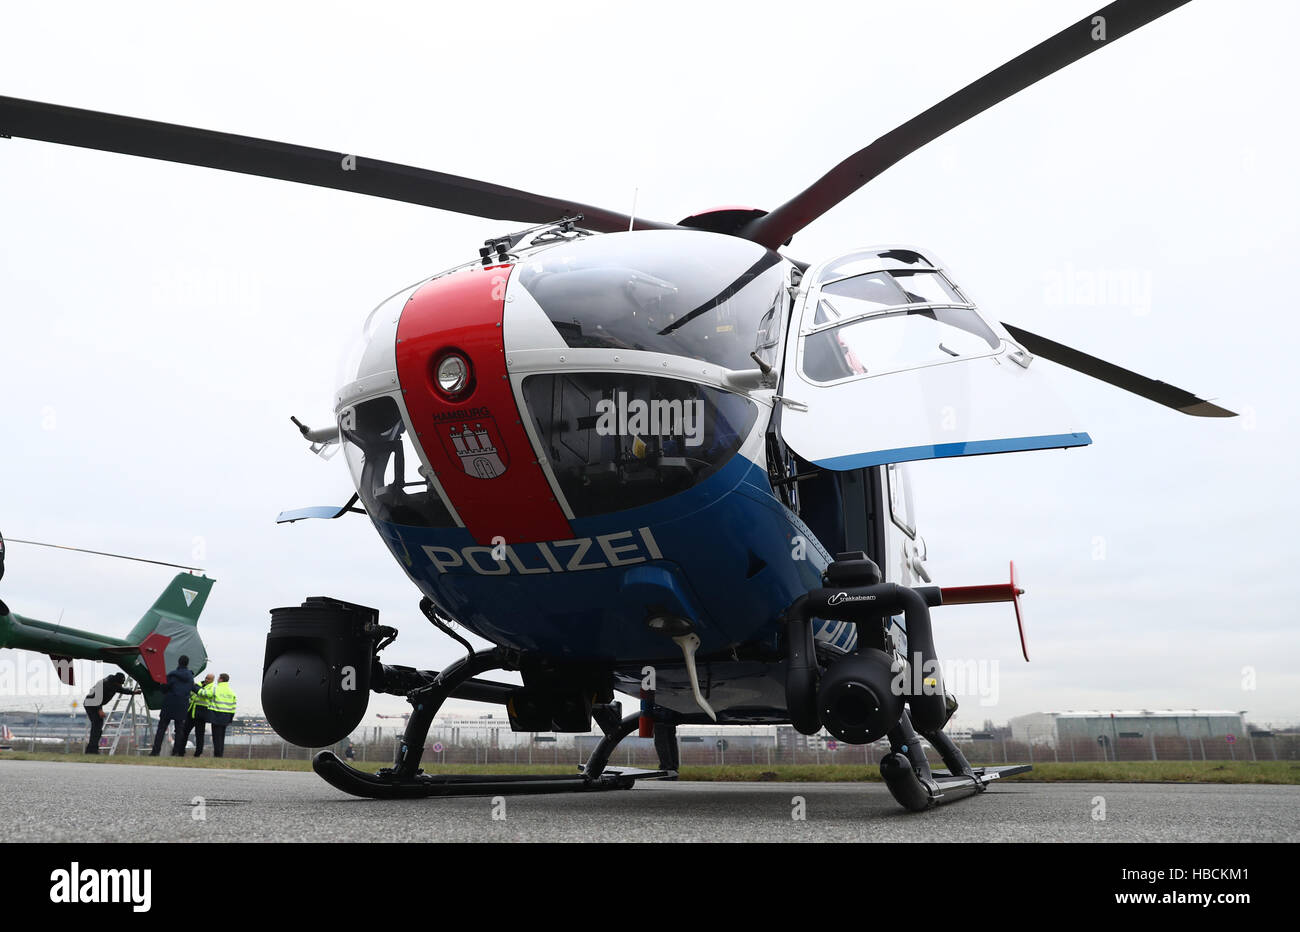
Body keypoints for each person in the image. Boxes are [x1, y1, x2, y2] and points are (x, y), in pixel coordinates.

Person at [150, 655, 198, 756]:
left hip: (169, 704)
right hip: (182, 705)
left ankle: (155, 751)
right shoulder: (190, 677)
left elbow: (164, 688)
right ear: (187, 664)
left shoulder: (172, 675)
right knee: (179, 730)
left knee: (162, 728)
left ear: (178, 662)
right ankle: (176, 752)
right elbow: (192, 689)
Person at [82, 672, 137, 754]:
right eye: (120, 684)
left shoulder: (114, 684)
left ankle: (92, 749)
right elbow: (96, 697)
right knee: (96, 727)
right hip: (91, 704)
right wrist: (99, 710)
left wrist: (133, 692)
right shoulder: (105, 684)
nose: (120, 686)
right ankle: (92, 750)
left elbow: (122, 690)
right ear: (116, 682)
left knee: (97, 728)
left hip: (95, 704)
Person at [181, 674, 215, 756]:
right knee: (184, 732)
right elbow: (191, 694)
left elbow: (205, 694)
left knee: (199, 735)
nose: (207, 679)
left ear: (212, 680)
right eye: (206, 678)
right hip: (191, 711)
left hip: (202, 714)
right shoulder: (199, 684)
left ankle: (198, 753)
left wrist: (195, 688)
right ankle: (181, 751)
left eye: (209, 679)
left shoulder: (212, 688)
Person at [206, 673, 237, 758]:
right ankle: (220, 754)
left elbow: (205, 694)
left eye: (218, 678)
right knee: (222, 737)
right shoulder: (231, 692)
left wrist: (195, 688)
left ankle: (217, 755)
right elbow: (233, 707)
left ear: (221, 679)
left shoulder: (216, 689)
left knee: (216, 737)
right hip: (226, 717)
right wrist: (230, 718)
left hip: (216, 716)